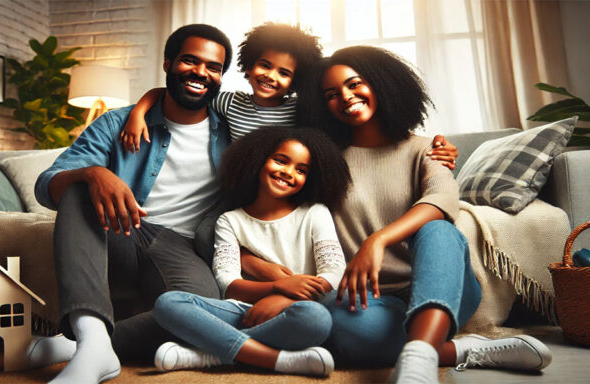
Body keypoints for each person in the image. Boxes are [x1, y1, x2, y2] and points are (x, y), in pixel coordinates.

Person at [245, 46, 553, 383]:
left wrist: (378, 240)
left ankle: (418, 365)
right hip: (367, 299)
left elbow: (443, 200)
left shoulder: (427, 149)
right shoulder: (321, 161)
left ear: (381, 83)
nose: (346, 97)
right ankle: (462, 351)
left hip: (444, 288)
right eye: (331, 94)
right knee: (335, 325)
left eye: (354, 84)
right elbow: (278, 218)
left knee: (438, 230)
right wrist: (279, 287)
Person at [30, 24, 234, 384]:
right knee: (80, 187)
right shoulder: (116, 122)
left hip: (182, 248)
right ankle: (91, 339)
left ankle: (75, 347)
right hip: (120, 233)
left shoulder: (232, 131)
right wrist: (94, 173)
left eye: (213, 67)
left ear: (220, 77)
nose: (201, 72)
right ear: (169, 63)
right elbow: (47, 185)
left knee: (209, 316)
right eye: (189, 60)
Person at [151, 127, 350, 377]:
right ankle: (274, 359)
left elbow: (334, 273)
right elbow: (227, 283)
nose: (288, 173)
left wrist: (287, 299)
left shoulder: (315, 213)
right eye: (281, 160)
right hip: (243, 313)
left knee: (316, 320)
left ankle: (207, 356)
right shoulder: (230, 221)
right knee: (169, 303)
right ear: (259, 159)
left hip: (298, 310)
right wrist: (276, 288)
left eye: (301, 170)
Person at [120, 22, 322, 152]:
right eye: (265, 65)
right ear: (250, 66)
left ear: (295, 80)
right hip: (240, 196)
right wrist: (138, 114)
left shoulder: (298, 108)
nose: (271, 76)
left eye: (284, 73)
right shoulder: (229, 102)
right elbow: (166, 93)